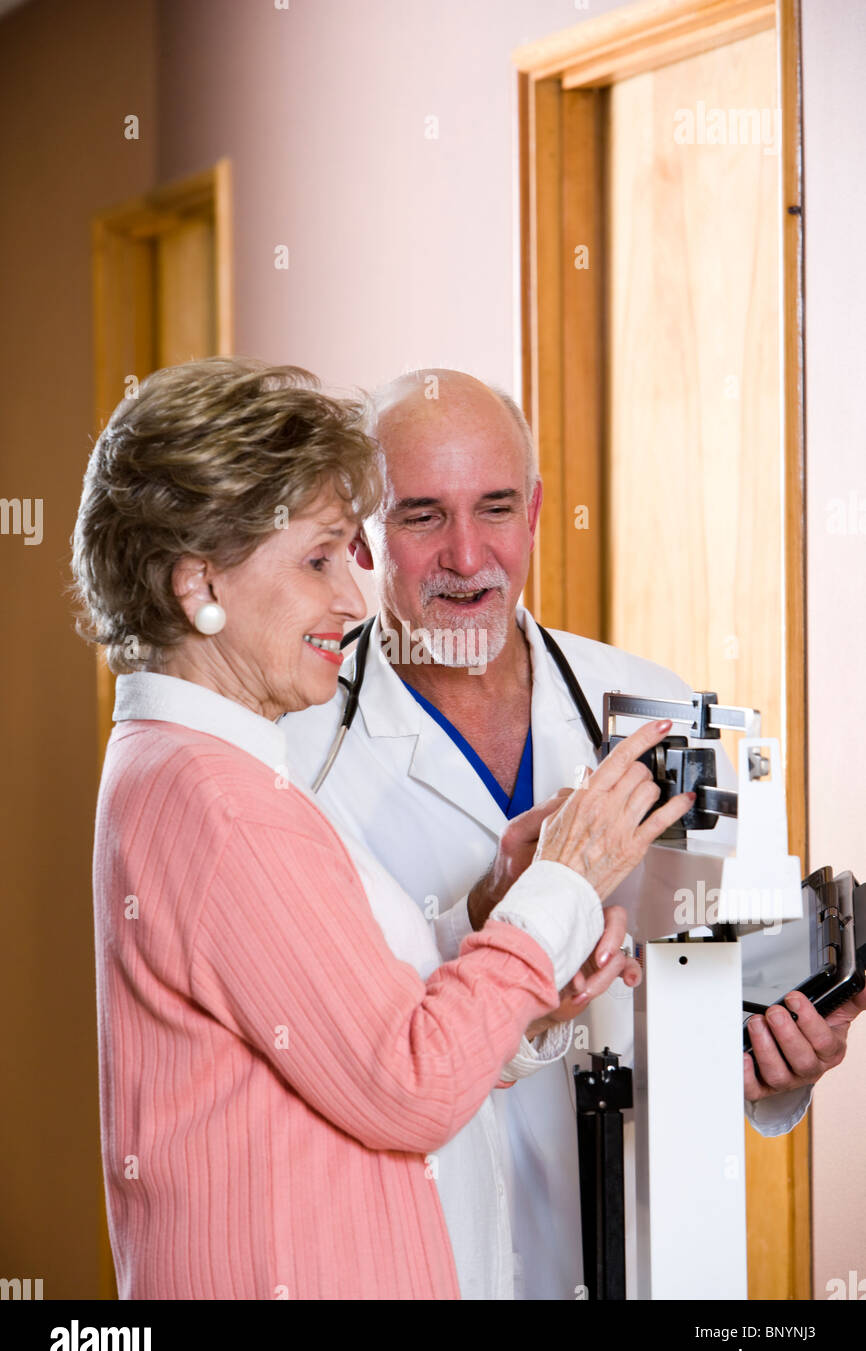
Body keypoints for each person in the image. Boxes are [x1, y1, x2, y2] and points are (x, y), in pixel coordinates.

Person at [70, 356, 692, 1300]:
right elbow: (408, 1082)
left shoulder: (195, 768)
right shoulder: (227, 799)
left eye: (496, 507)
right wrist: (561, 882)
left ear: (532, 511)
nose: (352, 598)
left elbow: (353, 1027)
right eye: (324, 558)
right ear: (199, 585)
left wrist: (497, 942)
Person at [280, 367, 866, 1300]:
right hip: (418, 1257)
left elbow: (731, 993)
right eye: (422, 515)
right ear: (359, 533)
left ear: (538, 511)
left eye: (498, 509)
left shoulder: (661, 709)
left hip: (644, 1254)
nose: (469, 556)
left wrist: (776, 1066)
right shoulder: (296, 749)